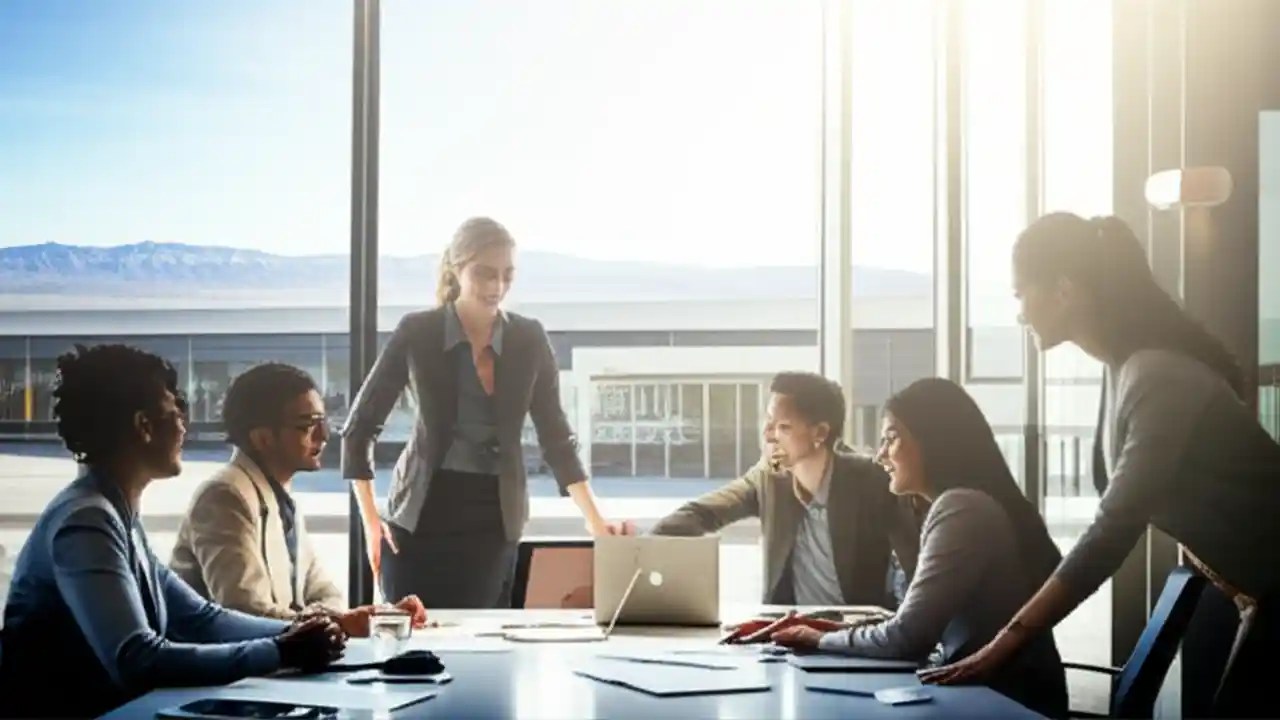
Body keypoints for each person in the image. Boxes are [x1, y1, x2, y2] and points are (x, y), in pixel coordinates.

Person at [920, 213, 1280, 718]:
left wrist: (1003, 645)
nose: (1020, 314)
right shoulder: (1124, 370)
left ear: (1064, 290)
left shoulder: (1156, 374)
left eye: (1021, 294)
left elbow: (1112, 531)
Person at [0, 345, 344, 719]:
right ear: (144, 426)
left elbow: (201, 617)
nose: (183, 425)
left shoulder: (115, 513)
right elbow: (136, 658)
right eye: (175, 412)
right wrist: (282, 650)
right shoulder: (86, 522)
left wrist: (299, 628)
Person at [342, 217, 627, 608]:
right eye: (485, 273)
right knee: (416, 638)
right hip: (418, 521)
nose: (497, 286)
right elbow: (359, 429)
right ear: (456, 268)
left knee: (486, 638)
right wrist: (371, 522)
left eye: (507, 275)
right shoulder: (419, 332)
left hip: (494, 523)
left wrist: (595, 520)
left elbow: (557, 438)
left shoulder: (528, 338)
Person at [771, 378, 1068, 718]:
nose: (880, 455)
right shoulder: (956, 504)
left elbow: (908, 636)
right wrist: (831, 630)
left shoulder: (962, 509)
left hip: (998, 704)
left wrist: (816, 639)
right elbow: (912, 623)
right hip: (984, 694)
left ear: (932, 439)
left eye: (891, 438)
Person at [170, 363, 427, 636]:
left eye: (323, 422)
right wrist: (342, 622)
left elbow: (326, 593)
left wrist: (378, 617)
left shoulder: (280, 497)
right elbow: (245, 612)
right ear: (263, 438)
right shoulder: (225, 497)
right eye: (307, 425)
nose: (324, 435)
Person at [649, 372, 921, 608]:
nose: (768, 435)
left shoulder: (872, 479)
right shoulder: (769, 477)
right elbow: (703, 513)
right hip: (790, 632)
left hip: (859, 631)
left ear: (820, 433)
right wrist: (641, 545)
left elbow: (915, 562)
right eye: (768, 422)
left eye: (783, 427)